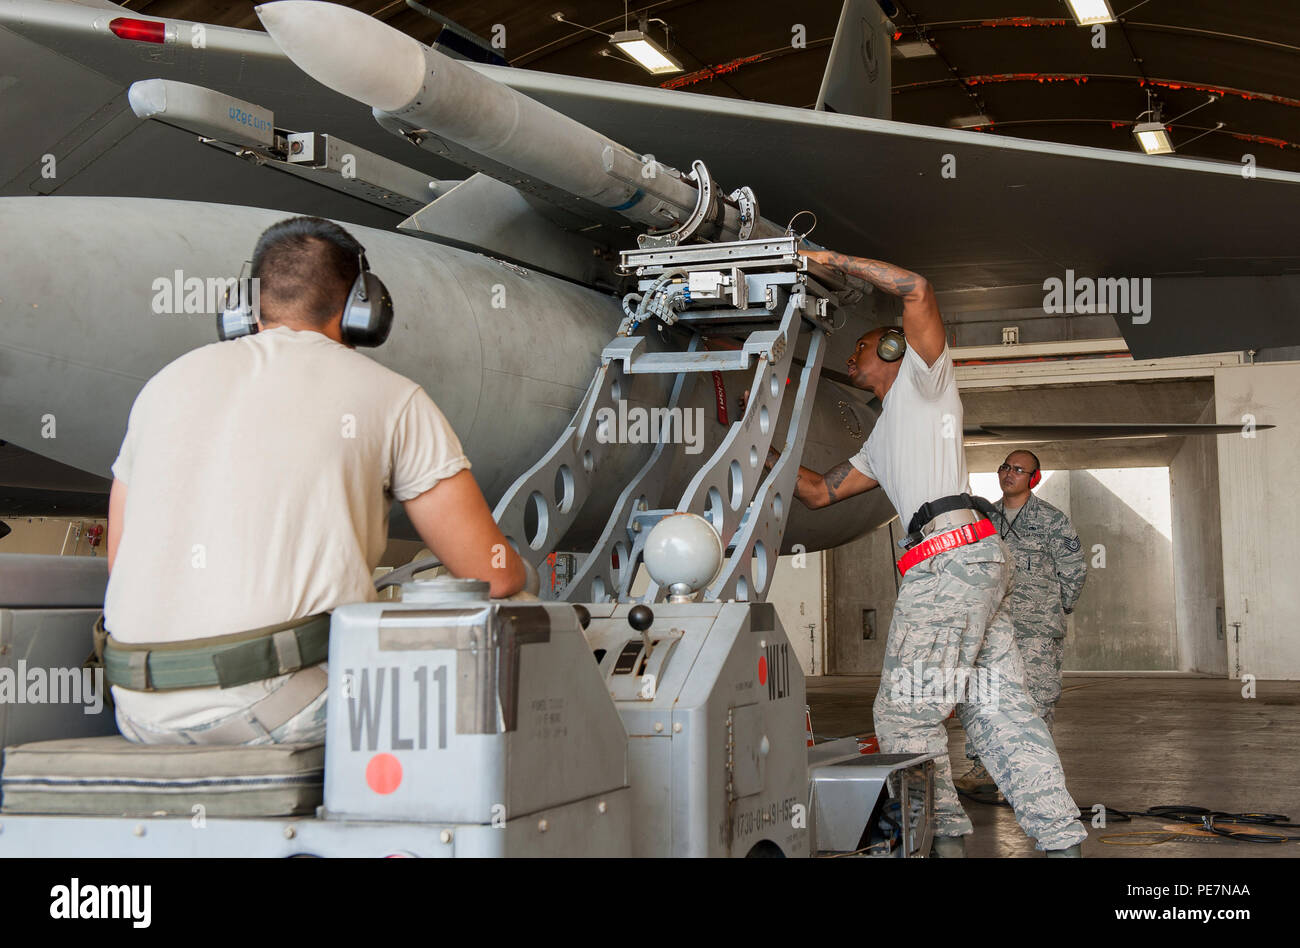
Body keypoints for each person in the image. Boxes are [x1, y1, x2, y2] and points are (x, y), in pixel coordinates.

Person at [103, 216, 524, 745]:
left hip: (138, 710)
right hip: (286, 714)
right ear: (364, 309)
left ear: (243, 303)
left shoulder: (162, 387)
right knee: (510, 639)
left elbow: (121, 564)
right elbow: (496, 576)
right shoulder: (392, 397)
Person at [771, 248, 1087, 857]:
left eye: (860, 347)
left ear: (890, 349)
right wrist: (753, 450)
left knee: (906, 715)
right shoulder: (882, 436)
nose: (853, 357)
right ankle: (1063, 844)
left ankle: (940, 841)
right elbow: (815, 492)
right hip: (970, 562)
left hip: (947, 561)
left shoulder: (927, 383)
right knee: (1001, 717)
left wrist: (827, 259)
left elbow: (917, 287)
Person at [956, 450, 1087, 793]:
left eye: (1018, 469)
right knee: (983, 695)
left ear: (1034, 478)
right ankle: (983, 770)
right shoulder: (984, 521)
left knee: (1037, 698)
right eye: (1004, 467)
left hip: (1037, 631)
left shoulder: (1051, 520)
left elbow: (1073, 569)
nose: (1008, 473)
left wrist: (1056, 610)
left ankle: (1032, 771)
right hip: (992, 629)